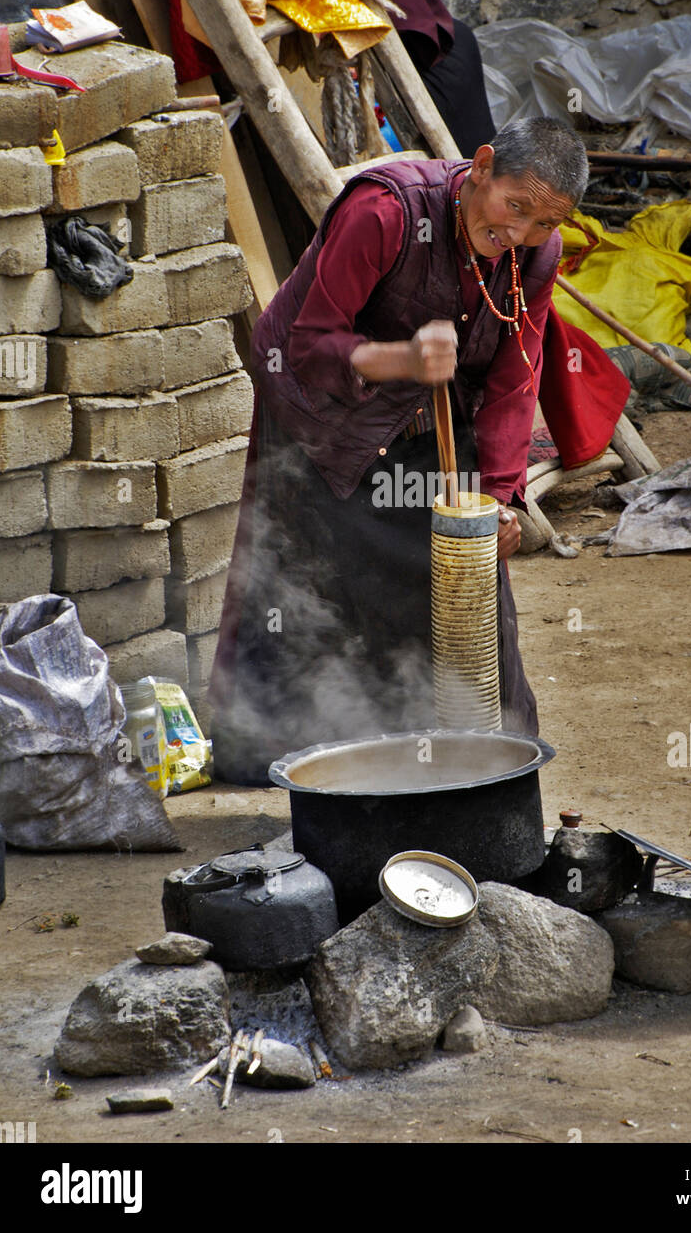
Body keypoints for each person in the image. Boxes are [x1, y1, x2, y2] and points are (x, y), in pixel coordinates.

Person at [209, 116, 589, 784]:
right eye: (515, 208)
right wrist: (401, 358)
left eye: (542, 224)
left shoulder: (536, 254)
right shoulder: (384, 212)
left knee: (466, 575)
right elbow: (308, 341)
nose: (519, 235)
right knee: (313, 586)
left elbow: (513, 376)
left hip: (433, 417)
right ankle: (293, 765)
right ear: (482, 164)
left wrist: (498, 499)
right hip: (320, 415)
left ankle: (472, 772)